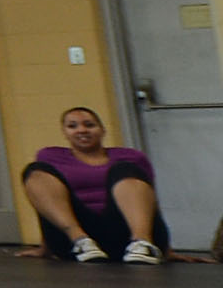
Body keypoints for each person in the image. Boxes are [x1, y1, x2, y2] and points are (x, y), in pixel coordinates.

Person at [23, 107, 164, 264]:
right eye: (72, 126)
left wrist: (166, 248)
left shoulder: (131, 156)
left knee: (124, 168)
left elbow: (149, 200)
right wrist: (45, 247)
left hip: (123, 233)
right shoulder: (50, 156)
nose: (82, 130)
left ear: (102, 130)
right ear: (64, 132)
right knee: (35, 171)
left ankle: (142, 243)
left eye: (89, 125)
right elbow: (45, 202)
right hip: (76, 240)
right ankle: (81, 242)